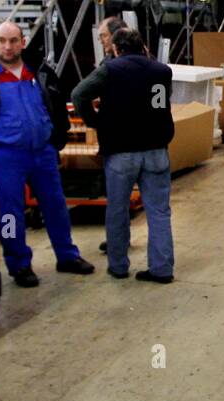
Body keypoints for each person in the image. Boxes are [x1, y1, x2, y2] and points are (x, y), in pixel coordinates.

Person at [0, 21, 95, 287]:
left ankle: (67, 256)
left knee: (56, 206)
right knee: (10, 215)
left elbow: (58, 107)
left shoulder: (39, 72)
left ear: (23, 42)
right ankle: (18, 264)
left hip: (43, 153)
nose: (8, 47)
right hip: (6, 158)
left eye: (13, 40)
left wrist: (57, 139)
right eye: (2, 40)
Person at [71, 27, 176, 283]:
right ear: (142, 46)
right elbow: (160, 105)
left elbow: (79, 94)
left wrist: (94, 120)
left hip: (121, 153)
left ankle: (118, 266)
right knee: (159, 212)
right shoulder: (161, 72)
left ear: (116, 48)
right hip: (155, 151)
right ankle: (162, 269)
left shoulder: (110, 70)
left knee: (117, 210)